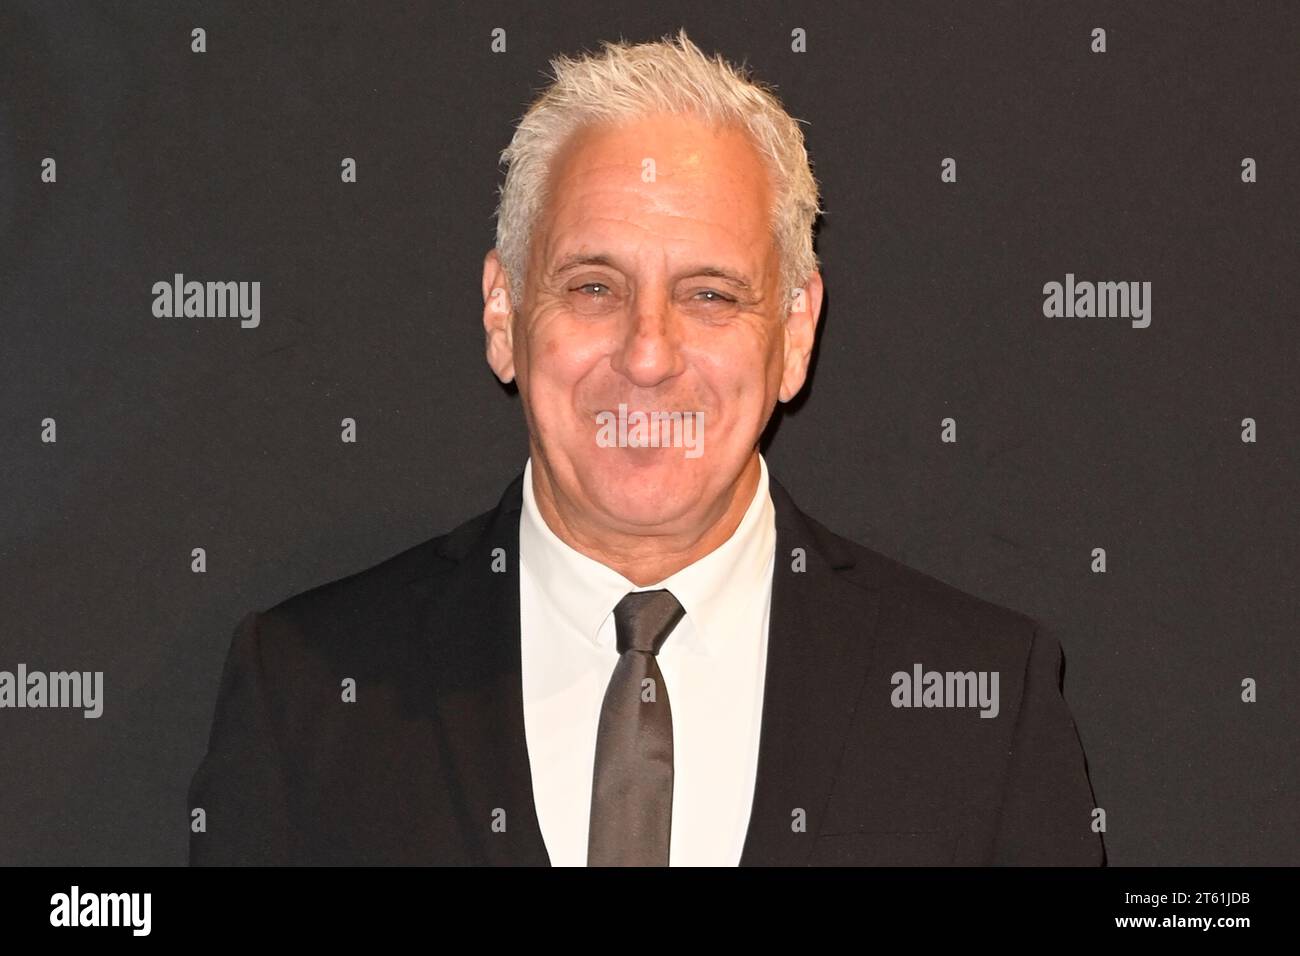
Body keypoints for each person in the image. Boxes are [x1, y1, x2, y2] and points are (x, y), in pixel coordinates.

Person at [188, 28, 1104, 866]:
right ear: (504, 314)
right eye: (593, 286)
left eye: (710, 294)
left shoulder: (984, 701)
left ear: (794, 332)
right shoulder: (304, 691)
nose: (648, 354)